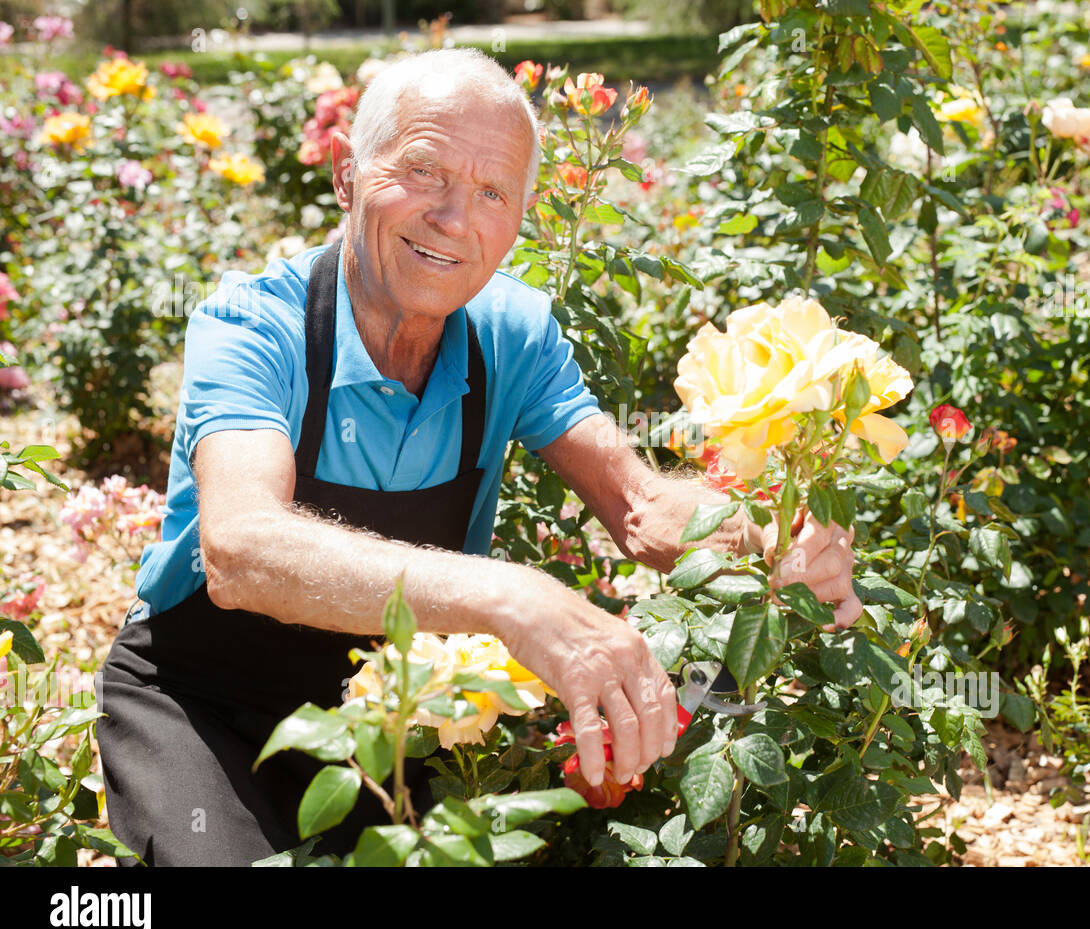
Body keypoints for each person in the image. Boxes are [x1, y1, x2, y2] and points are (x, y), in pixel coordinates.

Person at [94, 48, 859, 866]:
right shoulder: (257, 326)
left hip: (396, 721)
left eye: (492, 193)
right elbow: (242, 551)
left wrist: (765, 539)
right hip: (201, 701)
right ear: (348, 177)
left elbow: (639, 507)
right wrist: (511, 597)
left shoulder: (511, 335)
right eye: (423, 173)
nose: (455, 219)